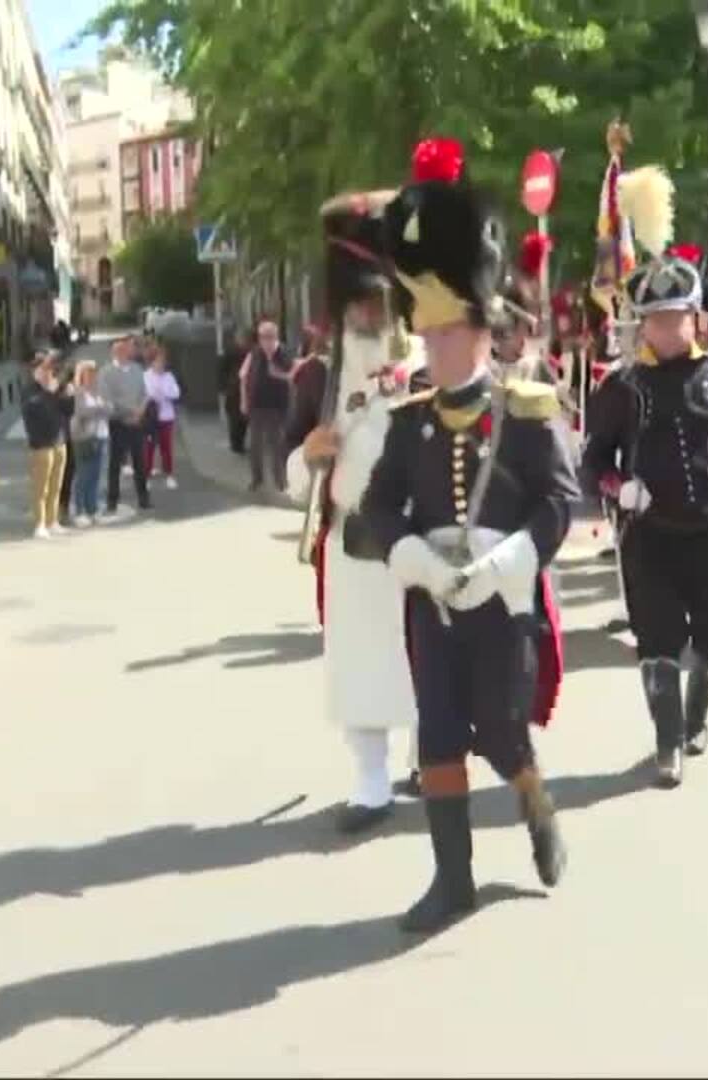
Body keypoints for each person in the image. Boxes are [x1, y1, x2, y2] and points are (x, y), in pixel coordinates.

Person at [360, 137, 573, 933]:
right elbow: (381, 507)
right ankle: (454, 881)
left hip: (500, 601)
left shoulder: (525, 409)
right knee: (439, 738)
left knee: (501, 731)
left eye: (447, 334)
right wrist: (409, 554)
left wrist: (508, 562)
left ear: (481, 331)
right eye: (428, 333)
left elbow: (557, 501)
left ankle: (536, 803)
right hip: (435, 610)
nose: (434, 346)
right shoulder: (410, 422)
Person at [582, 256, 708, 787]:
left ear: (696, 318)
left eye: (678, 316)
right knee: (657, 637)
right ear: (642, 324)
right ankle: (667, 742)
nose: (668, 328)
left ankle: (696, 717)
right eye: (657, 319)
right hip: (651, 533)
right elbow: (593, 463)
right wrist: (619, 488)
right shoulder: (620, 388)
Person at [284, 189, 425, 835]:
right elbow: (293, 474)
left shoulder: (429, 361)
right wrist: (308, 455)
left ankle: (432, 754)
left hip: (424, 532)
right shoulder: (317, 374)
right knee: (363, 663)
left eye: (379, 299)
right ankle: (371, 780)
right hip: (355, 538)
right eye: (360, 302)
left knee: (428, 653)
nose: (370, 312)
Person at [242, 320, 295, 493]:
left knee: (277, 445)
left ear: (275, 336)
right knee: (254, 444)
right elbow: (244, 375)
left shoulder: (284, 352)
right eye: (262, 337)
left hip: (276, 406)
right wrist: (244, 400)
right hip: (257, 405)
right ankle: (257, 479)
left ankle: (280, 481)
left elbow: (292, 375)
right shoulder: (255, 352)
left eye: (268, 337)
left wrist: (276, 372)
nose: (265, 341)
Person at [102, 337, 152, 514]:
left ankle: (143, 497)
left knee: (140, 461)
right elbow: (108, 400)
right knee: (115, 463)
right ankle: (112, 500)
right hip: (118, 423)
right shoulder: (106, 373)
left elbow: (145, 393)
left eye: (125, 349)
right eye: (119, 350)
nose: (124, 352)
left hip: (137, 422)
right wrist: (130, 413)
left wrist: (141, 411)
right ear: (114, 353)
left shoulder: (137, 369)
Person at [23, 353, 71, 538]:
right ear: (35, 371)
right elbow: (33, 409)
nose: (48, 372)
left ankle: (53, 521)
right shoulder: (30, 390)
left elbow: (68, 411)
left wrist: (66, 394)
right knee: (40, 487)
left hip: (59, 440)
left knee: (56, 485)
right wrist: (48, 392)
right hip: (41, 444)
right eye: (44, 368)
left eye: (50, 369)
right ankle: (40, 523)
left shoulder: (56, 387)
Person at [69, 360, 113, 526]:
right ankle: (79, 510)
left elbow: (110, 408)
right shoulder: (78, 392)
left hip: (101, 435)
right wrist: (100, 410)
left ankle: (92, 509)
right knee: (83, 475)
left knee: (96, 475)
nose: (92, 378)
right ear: (82, 376)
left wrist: (101, 410)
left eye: (94, 374)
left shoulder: (100, 392)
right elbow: (82, 412)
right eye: (88, 374)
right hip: (83, 437)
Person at [143, 341, 182, 490]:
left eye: (163, 361)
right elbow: (143, 394)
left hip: (166, 416)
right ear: (151, 362)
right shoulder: (145, 376)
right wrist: (152, 396)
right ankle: (146, 476)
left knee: (166, 447)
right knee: (149, 447)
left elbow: (176, 393)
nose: (161, 364)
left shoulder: (169, 376)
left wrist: (165, 393)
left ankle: (169, 474)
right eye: (158, 361)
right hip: (151, 418)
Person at [221, 328, 251, 455]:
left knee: (240, 419)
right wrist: (223, 386)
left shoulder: (248, 352)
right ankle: (236, 443)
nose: (243, 341)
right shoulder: (231, 352)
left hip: (238, 389)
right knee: (236, 419)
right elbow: (222, 369)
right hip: (235, 389)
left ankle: (238, 443)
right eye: (241, 339)